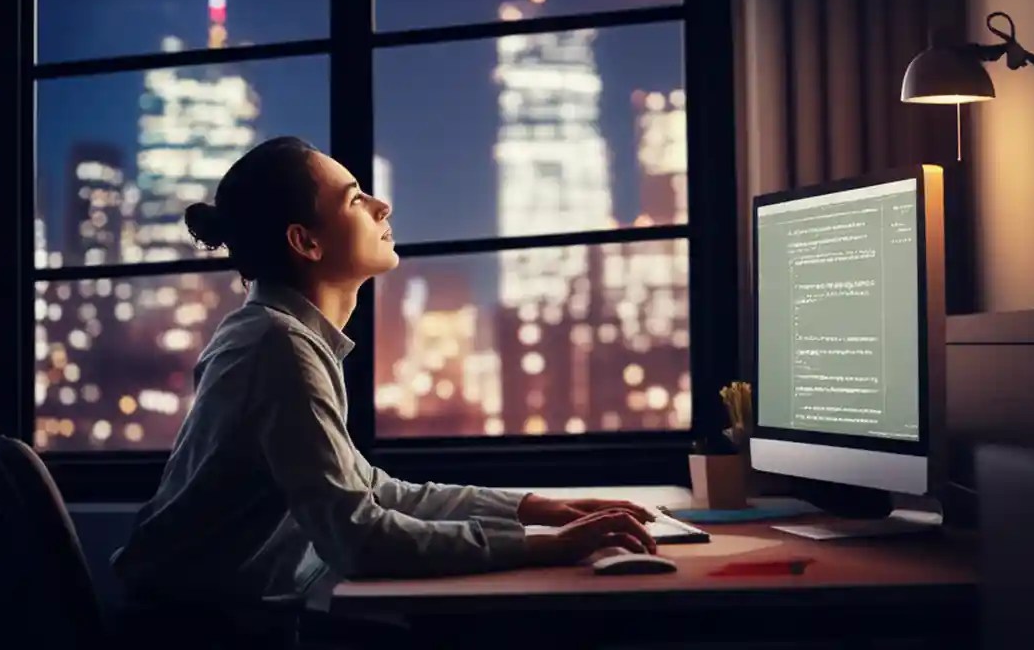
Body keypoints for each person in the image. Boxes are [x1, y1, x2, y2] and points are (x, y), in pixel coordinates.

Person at [110, 137, 657, 618]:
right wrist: (545, 545)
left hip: (236, 616)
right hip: (201, 632)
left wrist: (535, 509)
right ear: (306, 242)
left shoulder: (277, 335)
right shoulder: (277, 347)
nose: (382, 205)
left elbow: (371, 490)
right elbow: (359, 537)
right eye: (354, 199)